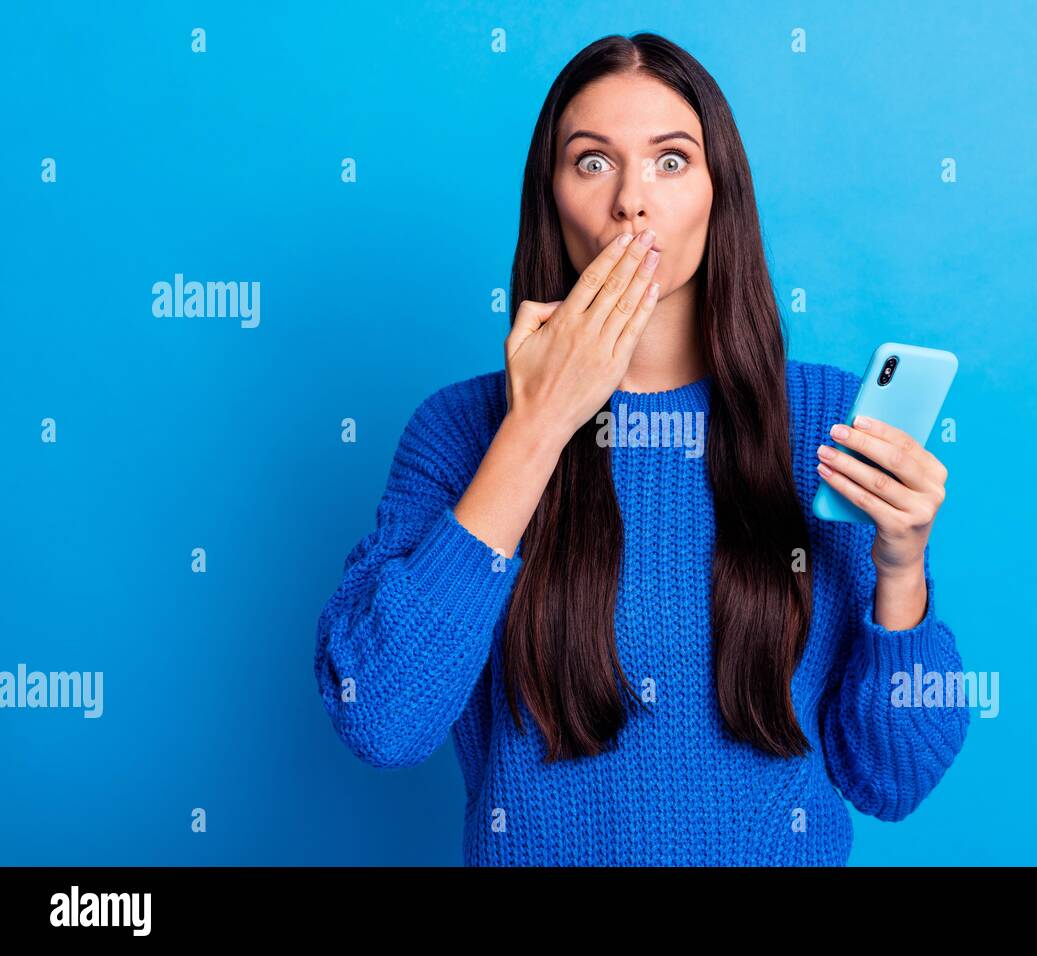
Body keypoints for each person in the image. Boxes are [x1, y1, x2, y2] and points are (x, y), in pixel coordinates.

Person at [314, 31, 968, 866]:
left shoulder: (828, 423)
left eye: (670, 161)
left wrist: (902, 572)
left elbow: (892, 780)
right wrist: (538, 426)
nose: (632, 200)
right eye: (592, 162)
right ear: (549, 198)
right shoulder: (457, 431)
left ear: (718, 191)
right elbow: (381, 717)